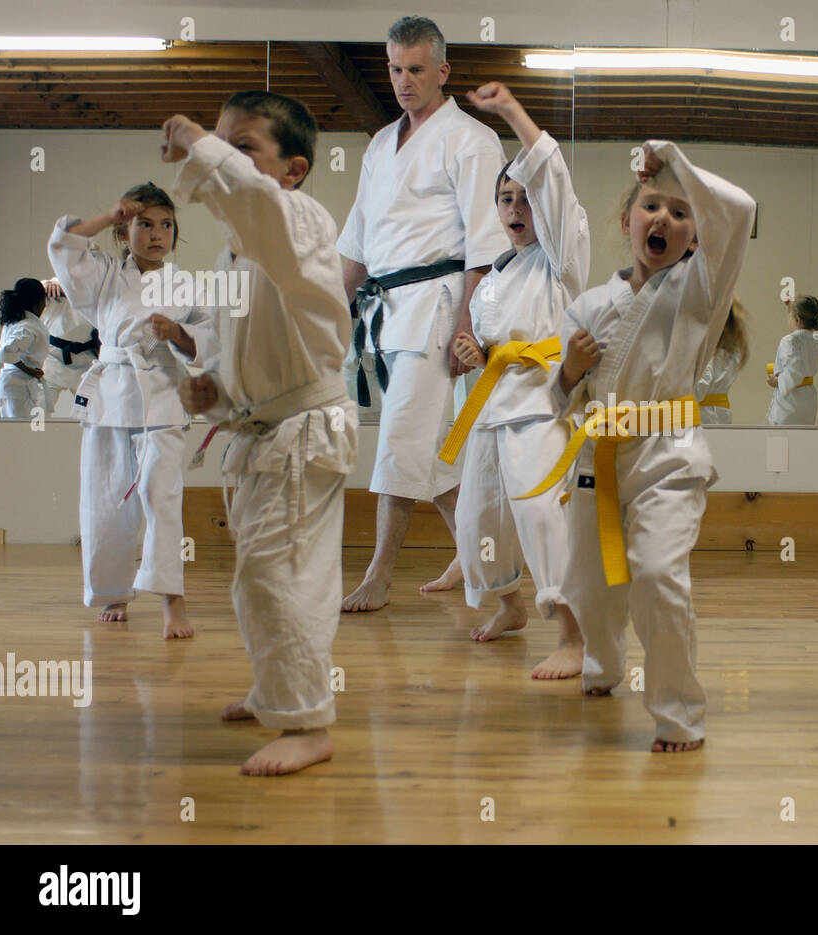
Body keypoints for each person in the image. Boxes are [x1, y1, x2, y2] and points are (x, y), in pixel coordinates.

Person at [522, 140, 755, 751]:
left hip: (669, 456)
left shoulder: (700, 291)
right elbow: (554, 402)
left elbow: (740, 206)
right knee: (594, 591)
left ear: (698, 238)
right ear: (626, 222)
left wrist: (673, 156)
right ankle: (601, 663)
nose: (665, 221)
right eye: (653, 206)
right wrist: (569, 371)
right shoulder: (589, 305)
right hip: (599, 460)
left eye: (682, 214)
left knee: (657, 575)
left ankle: (679, 713)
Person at [166, 89, 356, 775]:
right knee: (263, 576)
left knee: (277, 574)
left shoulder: (297, 218)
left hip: (303, 432)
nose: (226, 156)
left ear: (293, 170)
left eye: (244, 145)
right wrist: (212, 390)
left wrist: (198, 140)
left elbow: (250, 199)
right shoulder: (233, 255)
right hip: (264, 436)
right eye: (225, 140)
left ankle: (308, 721)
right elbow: (230, 349)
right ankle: (277, 687)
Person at [338, 15, 509, 611]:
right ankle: (486, 561)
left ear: (443, 70)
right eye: (394, 69)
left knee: (398, 444)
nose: (404, 81)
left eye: (415, 69)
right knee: (434, 458)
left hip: (439, 306)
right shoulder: (382, 144)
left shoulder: (471, 139)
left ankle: (379, 574)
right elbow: (357, 243)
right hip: (387, 311)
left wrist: (469, 323)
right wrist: (330, 313)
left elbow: (488, 243)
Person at [437, 81, 588, 678]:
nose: (515, 209)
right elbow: (495, 341)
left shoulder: (560, 260)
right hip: (492, 407)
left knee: (545, 520)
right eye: (505, 199)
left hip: (541, 408)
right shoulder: (498, 273)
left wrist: (510, 113)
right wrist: (478, 352)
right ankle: (511, 606)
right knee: (478, 521)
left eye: (524, 198)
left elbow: (555, 187)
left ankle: (574, 636)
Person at [47, 183, 212, 639]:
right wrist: (110, 214)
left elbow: (210, 342)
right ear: (124, 232)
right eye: (144, 224)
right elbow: (64, 244)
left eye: (166, 225)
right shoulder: (101, 273)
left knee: (162, 499)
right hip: (111, 395)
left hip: (163, 397)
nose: (157, 234)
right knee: (104, 499)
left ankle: (171, 603)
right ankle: (114, 590)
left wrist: (177, 332)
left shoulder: (186, 285)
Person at [39, 279, 100, 417]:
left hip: (85, 360)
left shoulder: (97, 285)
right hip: (53, 359)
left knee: (92, 413)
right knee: (39, 409)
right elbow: (36, 290)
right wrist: (45, 285)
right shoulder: (54, 285)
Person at [765, 294, 818, 425]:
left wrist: (777, 382)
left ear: (797, 319)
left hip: (790, 402)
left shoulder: (789, 341)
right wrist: (791, 307)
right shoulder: (817, 339)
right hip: (809, 400)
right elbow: (811, 331)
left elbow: (795, 371)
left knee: (781, 441)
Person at [0, 278, 49, 418]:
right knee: (23, 433)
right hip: (17, 386)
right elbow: (5, 352)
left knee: (18, 433)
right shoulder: (27, 327)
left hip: (13, 385)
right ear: (39, 302)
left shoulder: (16, 320)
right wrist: (30, 370)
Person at [694, 297, 748, 425]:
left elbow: (701, 387)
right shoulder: (734, 349)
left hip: (704, 415)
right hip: (722, 413)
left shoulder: (708, 349)